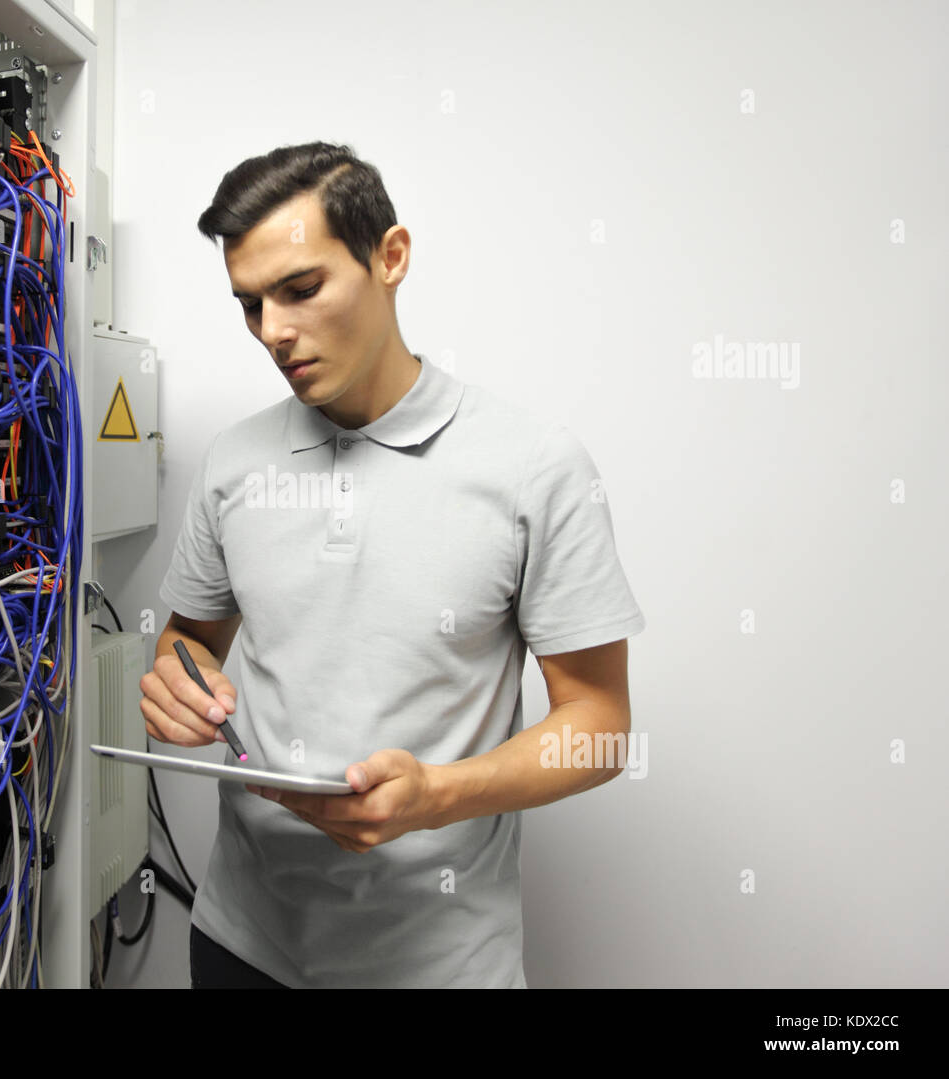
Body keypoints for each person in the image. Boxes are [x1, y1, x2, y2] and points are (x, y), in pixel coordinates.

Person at [139, 142, 646, 988]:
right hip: (240, 942)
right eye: (251, 304)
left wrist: (434, 795)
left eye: (301, 290)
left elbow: (599, 726)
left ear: (390, 257)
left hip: (438, 963)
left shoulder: (534, 464)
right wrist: (175, 678)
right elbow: (187, 641)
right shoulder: (235, 462)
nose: (274, 332)